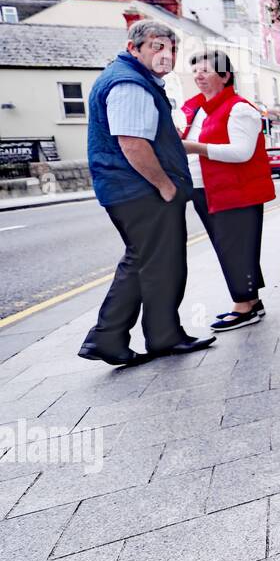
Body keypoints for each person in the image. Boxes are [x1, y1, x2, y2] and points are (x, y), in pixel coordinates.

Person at [79, 21, 215, 366]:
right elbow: (133, 143)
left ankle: (109, 339)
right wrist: (165, 186)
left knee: (143, 262)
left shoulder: (129, 78)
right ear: (133, 48)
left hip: (129, 191)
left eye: (171, 48)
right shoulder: (129, 83)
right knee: (162, 265)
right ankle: (161, 337)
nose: (165, 54)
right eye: (156, 46)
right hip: (142, 192)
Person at [181, 50, 276, 332]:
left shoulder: (239, 108)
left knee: (236, 247)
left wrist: (194, 148)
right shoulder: (199, 109)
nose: (198, 75)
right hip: (206, 189)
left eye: (206, 70)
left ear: (224, 76)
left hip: (235, 191)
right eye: (195, 71)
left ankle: (243, 306)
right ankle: (251, 301)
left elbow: (241, 152)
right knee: (231, 247)